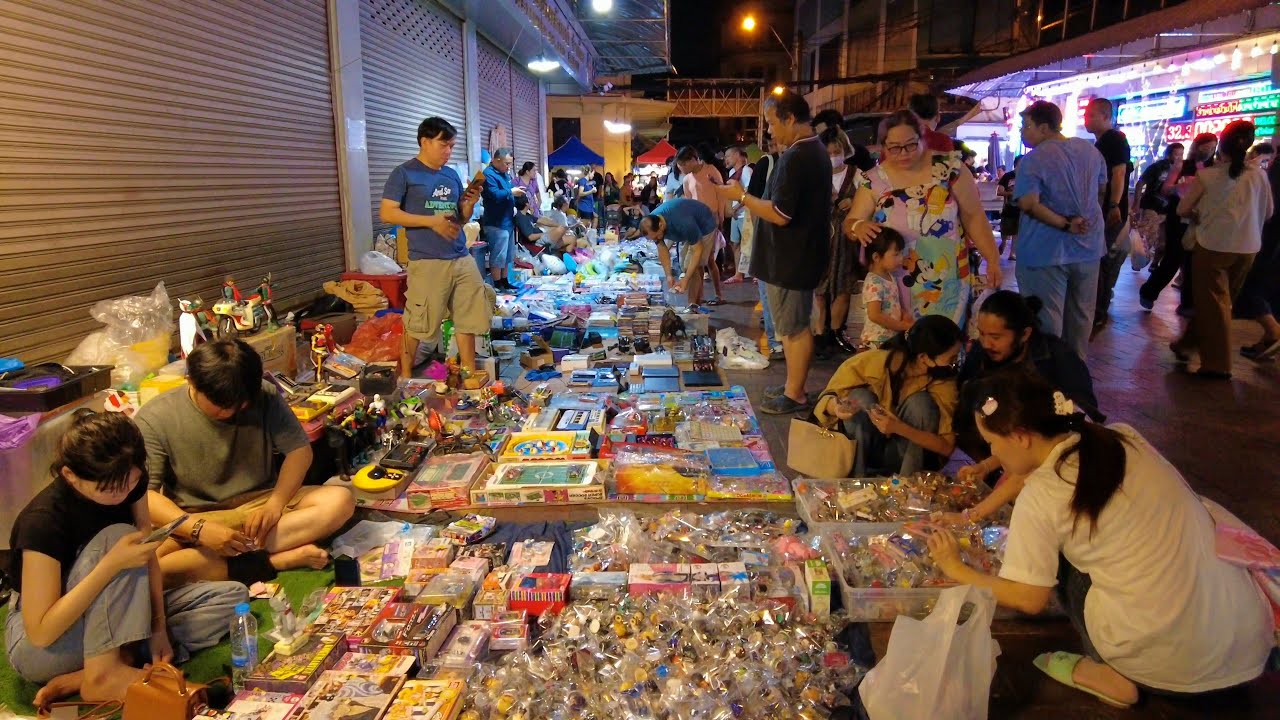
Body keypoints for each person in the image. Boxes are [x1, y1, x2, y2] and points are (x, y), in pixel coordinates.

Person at [925, 372, 1274, 708]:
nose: (993, 455)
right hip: (1246, 645)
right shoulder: (1117, 438)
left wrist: (957, 569)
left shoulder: (1042, 497)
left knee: (1057, 561)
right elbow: (1029, 468)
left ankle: (1112, 673)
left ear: (1020, 436)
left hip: (1172, 667)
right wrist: (971, 515)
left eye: (992, 444)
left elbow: (1029, 597)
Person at [6, 413, 247, 707]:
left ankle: (93, 672)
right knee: (118, 537)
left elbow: (147, 559)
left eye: (129, 482)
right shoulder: (43, 522)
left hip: (111, 622)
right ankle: (106, 674)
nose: (122, 494)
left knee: (232, 599)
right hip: (45, 646)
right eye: (109, 489)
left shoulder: (129, 482)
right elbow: (42, 632)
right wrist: (111, 565)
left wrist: (158, 628)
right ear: (70, 476)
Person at [138, 339, 356, 586]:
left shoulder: (265, 394)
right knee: (149, 566)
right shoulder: (154, 418)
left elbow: (299, 451)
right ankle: (276, 561)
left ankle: (231, 559)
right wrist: (197, 529)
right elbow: (146, 496)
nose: (232, 412)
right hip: (197, 516)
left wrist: (275, 503)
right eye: (222, 406)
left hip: (259, 506)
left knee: (340, 501)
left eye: (241, 405)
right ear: (192, 382)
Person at [715, 90, 831, 414]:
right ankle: (794, 385)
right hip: (797, 255)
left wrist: (742, 196)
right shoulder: (810, 151)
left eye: (770, 123)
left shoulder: (798, 155)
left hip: (792, 257)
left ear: (790, 119)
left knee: (793, 329)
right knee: (793, 326)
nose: (768, 131)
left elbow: (781, 214)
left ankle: (795, 393)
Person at [848, 110, 1003, 329]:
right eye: (894, 148)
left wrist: (993, 259)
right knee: (903, 347)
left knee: (944, 340)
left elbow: (974, 217)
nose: (903, 153)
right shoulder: (872, 180)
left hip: (948, 276)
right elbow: (851, 222)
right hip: (895, 279)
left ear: (922, 137)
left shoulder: (950, 168)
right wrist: (858, 225)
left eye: (911, 144)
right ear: (883, 146)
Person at [954, 290, 1101, 497]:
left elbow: (1084, 417)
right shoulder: (982, 352)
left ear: (1025, 334)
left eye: (995, 337)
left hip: (1047, 458)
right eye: (982, 334)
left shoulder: (1059, 359)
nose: (986, 343)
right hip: (1006, 454)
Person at [379, 117, 491, 373]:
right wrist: (431, 222)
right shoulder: (404, 173)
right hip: (427, 259)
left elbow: (458, 218)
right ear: (425, 141)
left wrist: (469, 204)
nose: (448, 151)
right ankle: (406, 375)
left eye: (451, 146)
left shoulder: (450, 175)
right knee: (419, 321)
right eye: (444, 145)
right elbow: (387, 213)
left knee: (469, 317)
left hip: (460, 256)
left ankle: (469, 373)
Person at [1171, 120, 1273, 379]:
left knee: (1214, 304)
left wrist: (1199, 214)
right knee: (1217, 303)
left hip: (1213, 246)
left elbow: (1182, 209)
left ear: (1221, 146)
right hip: (1249, 247)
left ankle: (1217, 365)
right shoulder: (1259, 175)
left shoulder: (1208, 175)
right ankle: (1187, 344)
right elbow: (1269, 212)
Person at [1012, 100, 1106, 360]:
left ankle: (1050, 379)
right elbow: (1101, 190)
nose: (1022, 131)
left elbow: (1029, 204)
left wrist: (1065, 223)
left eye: (1026, 126)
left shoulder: (1033, 159)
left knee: (1046, 319)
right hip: (1088, 248)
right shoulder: (1090, 151)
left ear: (1044, 128)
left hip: (1045, 251)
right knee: (1081, 318)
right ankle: (1075, 377)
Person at [813, 315, 963, 476]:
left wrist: (899, 428)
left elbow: (947, 447)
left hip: (904, 454)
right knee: (861, 397)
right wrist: (837, 407)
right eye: (951, 359)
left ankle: (906, 488)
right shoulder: (873, 362)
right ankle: (854, 485)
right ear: (924, 358)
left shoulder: (943, 381)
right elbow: (825, 400)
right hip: (863, 448)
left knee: (921, 403)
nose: (954, 364)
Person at [1142, 133, 1217, 316]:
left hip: (1200, 219)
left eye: (1213, 147)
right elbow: (1165, 189)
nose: (1209, 151)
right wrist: (1179, 187)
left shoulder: (1215, 169)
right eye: (1205, 146)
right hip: (1179, 217)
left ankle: (1188, 304)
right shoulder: (1182, 166)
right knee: (1173, 259)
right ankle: (1148, 292)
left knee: (1193, 262)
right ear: (1197, 146)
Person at [814, 124, 864, 356]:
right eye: (829, 153)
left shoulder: (857, 174)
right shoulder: (815, 175)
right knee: (819, 288)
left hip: (846, 240)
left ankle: (835, 332)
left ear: (845, 150)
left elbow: (870, 201)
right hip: (820, 239)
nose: (833, 157)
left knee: (843, 286)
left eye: (837, 152)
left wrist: (854, 203)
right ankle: (818, 332)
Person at [1084, 99, 1132, 331]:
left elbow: (1119, 173)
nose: (1086, 119)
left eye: (1091, 115)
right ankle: (1097, 308)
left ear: (1105, 116)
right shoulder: (1103, 142)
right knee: (1100, 258)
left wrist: (1113, 205)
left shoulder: (1114, 139)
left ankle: (1098, 311)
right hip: (1103, 209)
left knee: (1102, 259)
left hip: (1109, 211)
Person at [1237, 156, 1280, 361]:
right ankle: (1271, 334)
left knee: (1251, 286)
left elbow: (1270, 210)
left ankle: (1273, 332)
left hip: (1270, 240)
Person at [639, 198, 718, 301]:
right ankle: (699, 296)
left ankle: (693, 305)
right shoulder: (652, 223)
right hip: (688, 229)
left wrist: (685, 279)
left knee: (693, 267)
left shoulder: (683, 222)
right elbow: (661, 247)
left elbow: (697, 250)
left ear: (661, 225)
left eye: (657, 237)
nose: (657, 240)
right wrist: (668, 275)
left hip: (705, 225)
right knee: (685, 266)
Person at [1130, 143, 1184, 282]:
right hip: (1152, 207)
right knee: (1146, 237)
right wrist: (1136, 202)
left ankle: (1154, 264)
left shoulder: (1182, 170)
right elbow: (1140, 183)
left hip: (1170, 210)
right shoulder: (1157, 167)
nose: (1179, 157)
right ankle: (1139, 261)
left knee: (1163, 241)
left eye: (1181, 154)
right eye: (1176, 154)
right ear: (1168, 154)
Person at [859, 226, 914, 349]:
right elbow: (874, 315)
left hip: (889, 338)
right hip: (876, 341)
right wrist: (901, 326)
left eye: (901, 253)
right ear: (876, 257)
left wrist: (904, 314)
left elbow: (892, 303)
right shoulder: (874, 282)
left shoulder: (889, 276)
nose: (901, 258)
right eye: (896, 254)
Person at [480, 147, 525, 291]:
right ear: (497, 160)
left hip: (508, 221)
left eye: (510, 164)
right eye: (506, 163)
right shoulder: (488, 174)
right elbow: (495, 195)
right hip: (496, 223)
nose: (508, 167)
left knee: (507, 255)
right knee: (498, 255)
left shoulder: (505, 174)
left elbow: (508, 190)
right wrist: (511, 192)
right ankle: (497, 283)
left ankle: (505, 281)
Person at [723, 145, 753, 284]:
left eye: (728, 156)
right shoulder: (731, 174)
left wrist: (736, 208)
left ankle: (754, 273)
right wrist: (730, 209)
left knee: (749, 244)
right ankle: (738, 274)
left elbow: (748, 193)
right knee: (735, 244)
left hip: (745, 214)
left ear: (737, 155)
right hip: (736, 214)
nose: (726, 160)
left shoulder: (746, 171)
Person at [996, 155, 1022, 260]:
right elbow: (999, 191)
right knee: (1005, 230)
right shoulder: (1007, 176)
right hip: (1009, 208)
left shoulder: (1027, 176)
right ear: (1016, 164)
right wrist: (1010, 193)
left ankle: (1012, 253)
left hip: (1021, 208)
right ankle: (1003, 243)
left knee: (1017, 231)